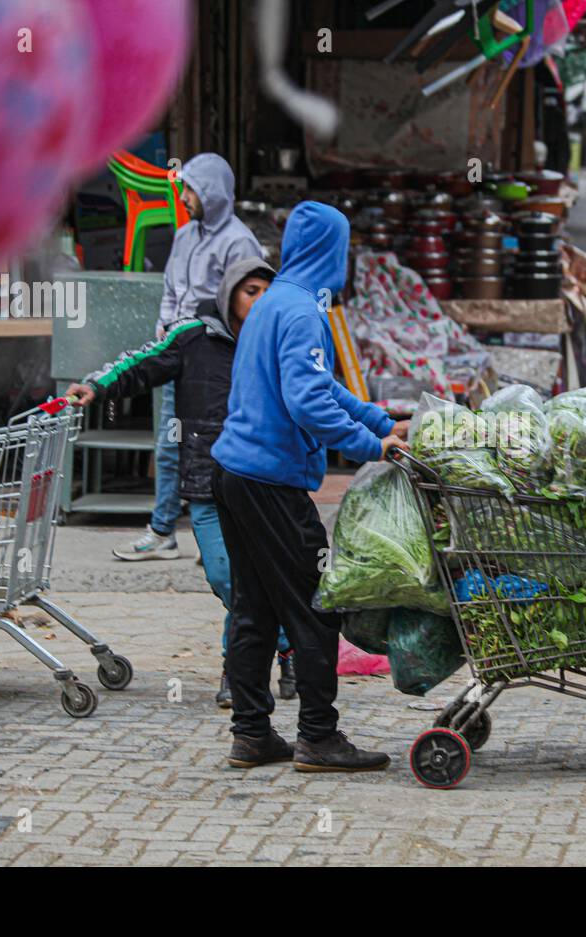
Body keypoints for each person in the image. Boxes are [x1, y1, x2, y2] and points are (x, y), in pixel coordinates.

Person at [211, 201, 409, 772]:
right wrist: (374, 448)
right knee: (318, 607)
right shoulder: (302, 312)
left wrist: (379, 422)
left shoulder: (275, 303)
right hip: (270, 483)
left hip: (236, 475)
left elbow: (325, 389)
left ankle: (251, 734)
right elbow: (309, 403)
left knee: (256, 610)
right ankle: (319, 737)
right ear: (330, 252)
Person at [65, 259, 298, 709]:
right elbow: (142, 363)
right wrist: (98, 385)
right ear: (230, 293)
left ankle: (238, 672)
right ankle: (284, 641)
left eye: (268, 291)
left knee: (256, 576)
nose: (261, 300)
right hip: (206, 484)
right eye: (251, 290)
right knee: (226, 576)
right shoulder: (193, 336)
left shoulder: (278, 342)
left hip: (262, 483)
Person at [116, 153, 264, 563]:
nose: (183, 196)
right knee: (169, 445)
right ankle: (163, 530)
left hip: (217, 368)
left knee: (218, 449)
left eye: (190, 188)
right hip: (178, 358)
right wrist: (164, 327)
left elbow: (249, 307)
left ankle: (221, 532)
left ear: (212, 192)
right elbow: (170, 291)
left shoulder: (239, 241)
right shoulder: (184, 237)